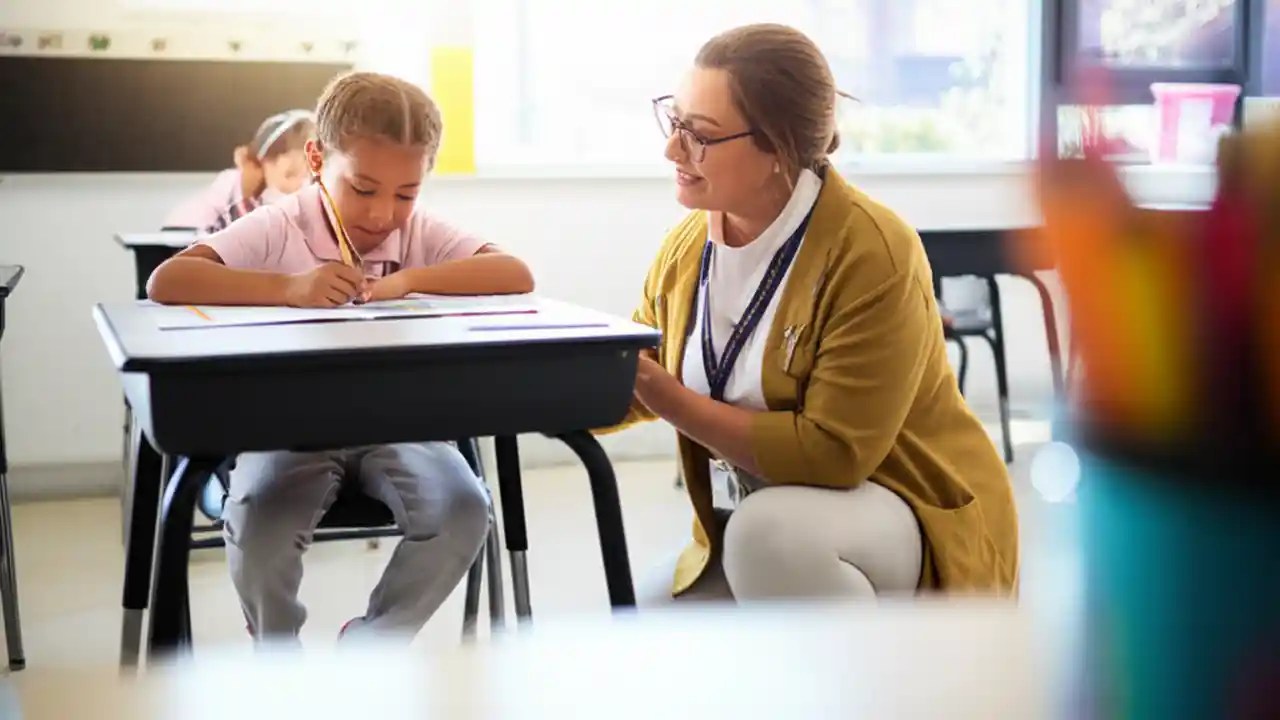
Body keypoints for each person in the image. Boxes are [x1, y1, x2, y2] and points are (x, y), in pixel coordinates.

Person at [604, 24, 1018, 603]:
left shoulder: (873, 250)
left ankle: (883, 690)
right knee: (645, 626)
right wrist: (520, 383)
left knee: (764, 536)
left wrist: (667, 397)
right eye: (674, 123)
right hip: (767, 524)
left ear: (776, 146)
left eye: (699, 135)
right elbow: (632, 379)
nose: (672, 150)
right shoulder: (685, 250)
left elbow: (834, 454)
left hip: (900, 507)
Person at [148, 70, 535, 642]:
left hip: (401, 423)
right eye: (363, 188)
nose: (383, 215)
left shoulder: (419, 231)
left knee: (464, 510)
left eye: (407, 193)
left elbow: (516, 274)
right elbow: (168, 280)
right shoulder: (283, 222)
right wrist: (288, 289)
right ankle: (277, 654)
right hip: (289, 426)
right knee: (258, 523)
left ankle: (373, 644)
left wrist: (409, 282)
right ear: (315, 158)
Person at [163, 109, 314, 234]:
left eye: (305, 175)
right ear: (262, 162)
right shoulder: (230, 188)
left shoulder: (280, 202)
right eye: (290, 174)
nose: (298, 185)